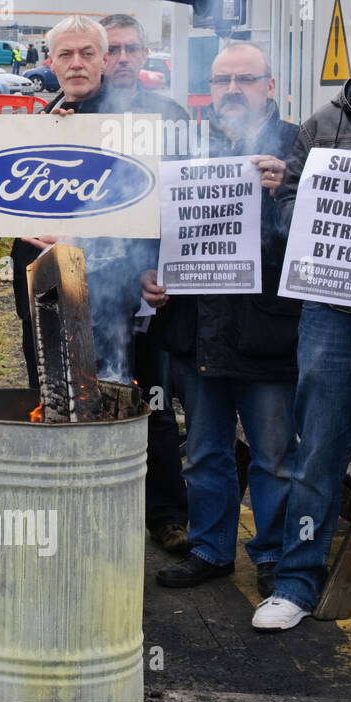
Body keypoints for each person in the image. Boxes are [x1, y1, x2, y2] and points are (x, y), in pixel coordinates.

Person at [11, 14, 190, 555]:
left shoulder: (140, 122)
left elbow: (170, 205)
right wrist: (21, 226)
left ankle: (164, 512)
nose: (77, 64)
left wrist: (151, 266)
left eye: (88, 53)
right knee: (56, 394)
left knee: (141, 400)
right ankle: (67, 504)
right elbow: (5, 204)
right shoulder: (38, 122)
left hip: (124, 290)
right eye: (65, 55)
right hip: (50, 285)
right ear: (50, 62)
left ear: (105, 56)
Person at [142, 42, 299, 598]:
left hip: (268, 329)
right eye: (223, 79)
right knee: (205, 450)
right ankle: (210, 547)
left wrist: (287, 191)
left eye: (246, 79)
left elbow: (320, 227)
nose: (233, 89)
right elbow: (154, 224)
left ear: (270, 86)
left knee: (274, 456)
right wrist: (148, 274)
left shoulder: (297, 144)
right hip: (197, 328)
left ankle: (276, 557)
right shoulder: (188, 146)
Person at [253, 23, 351, 632]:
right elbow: (289, 200)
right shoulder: (323, 122)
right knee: (318, 448)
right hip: (335, 310)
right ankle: (296, 580)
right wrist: (304, 211)